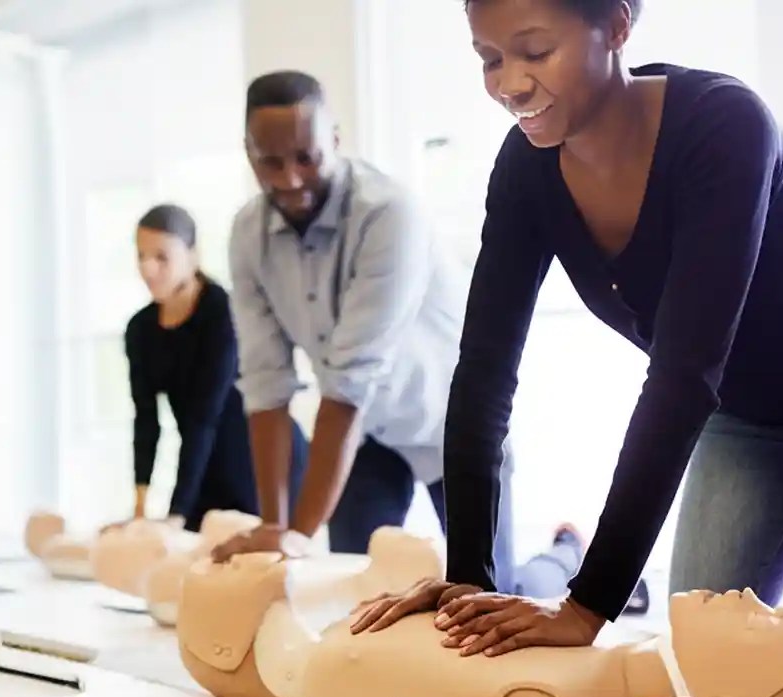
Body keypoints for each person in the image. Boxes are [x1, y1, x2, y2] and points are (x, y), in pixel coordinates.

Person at [352, 0, 783, 697]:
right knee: (691, 686)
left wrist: (587, 604)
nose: (510, 83)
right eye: (489, 58)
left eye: (534, 50)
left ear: (617, 26)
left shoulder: (723, 125)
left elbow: (682, 379)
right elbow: (484, 372)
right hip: (756, 416)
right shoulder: (526, 169)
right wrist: (470, 572)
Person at [210, 70, 525, 590]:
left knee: (493, 601)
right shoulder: (248, 234)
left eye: (306, 157)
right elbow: (266, 383)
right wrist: (275, 528)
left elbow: (349, 380)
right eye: (271, 161)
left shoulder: (388, 214)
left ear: (333, 140)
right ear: (248, 153)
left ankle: (564, 552)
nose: (290, 178)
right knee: (355, 596)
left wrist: (299, 536)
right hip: (366, 437)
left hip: (452, 421)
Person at [123, 204, 305, 532]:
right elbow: (146, 421)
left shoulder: (222, 312)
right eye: (141, 256)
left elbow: (202, 418)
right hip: (204, 469)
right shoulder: (140, 330)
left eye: (162, 257)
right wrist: (139, 510)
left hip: (261, 463)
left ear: (193, 255)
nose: (148, 269)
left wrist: (177, 513)